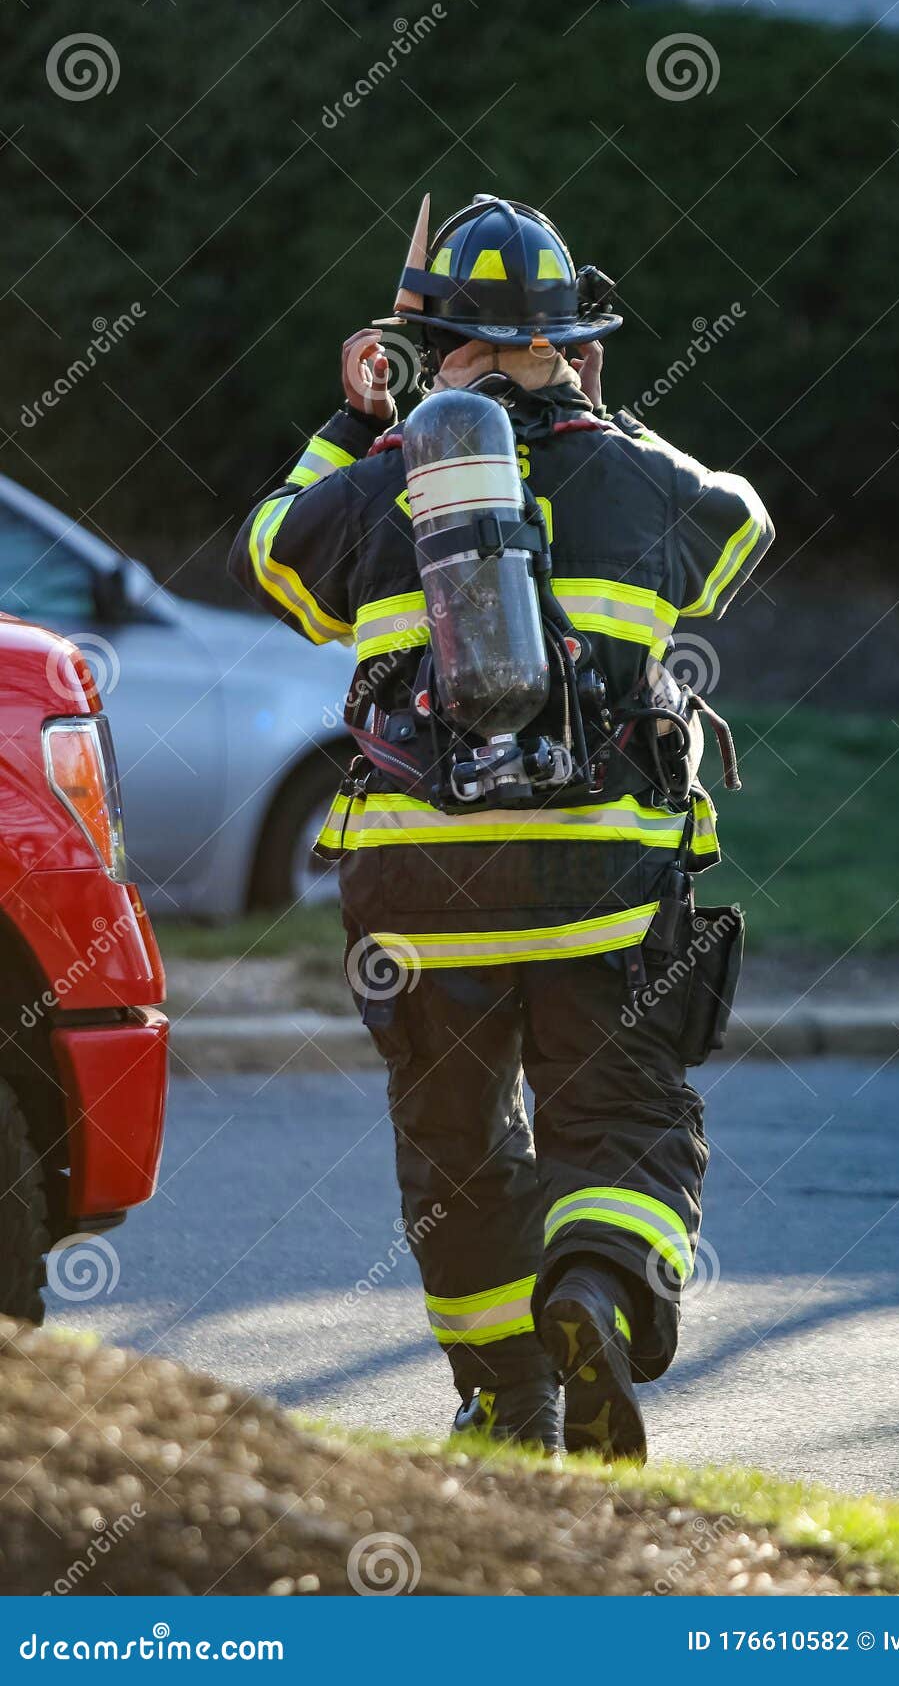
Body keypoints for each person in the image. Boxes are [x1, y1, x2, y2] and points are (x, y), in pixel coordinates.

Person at [229, 194, 773, 1461]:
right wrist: (594, 407)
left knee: (455, 1149)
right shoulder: (641, 479)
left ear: (430, 350)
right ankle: (591, 1287)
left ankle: (507, 1396)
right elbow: (736, 530)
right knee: (619, 1113)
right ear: (568, 338)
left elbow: (270, 556)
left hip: (417, 898)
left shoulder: (375, 491)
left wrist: (353, 425)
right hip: (599, 884)